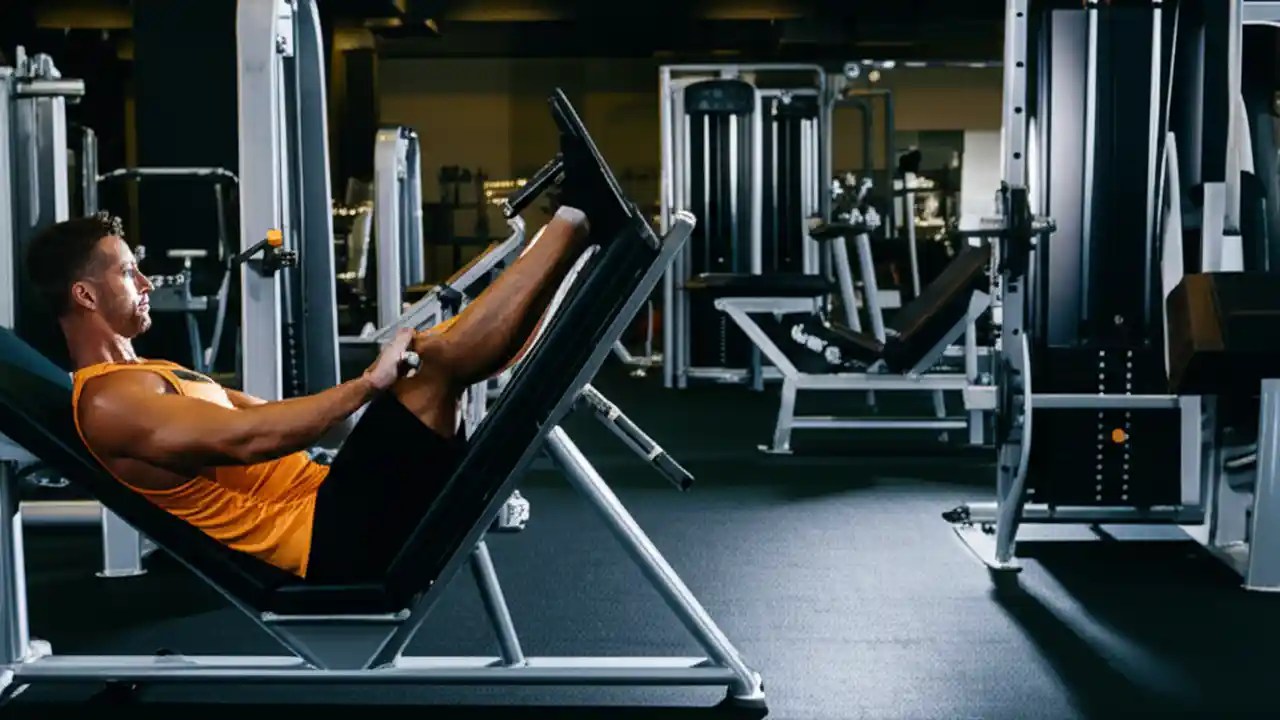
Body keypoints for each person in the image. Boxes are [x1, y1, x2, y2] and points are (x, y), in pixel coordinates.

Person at [26, 205, 595, 583]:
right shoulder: (107, 403)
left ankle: (569, 236)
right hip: (327, 543)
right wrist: (368, 384)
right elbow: (248, 439)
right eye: (129, 273)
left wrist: (374, 389)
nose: (147, 283)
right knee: (433, 367)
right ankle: (572, 225)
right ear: (85, 295)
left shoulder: (150, 372)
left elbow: (272, 417)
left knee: (426, 354)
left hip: (332, 503)